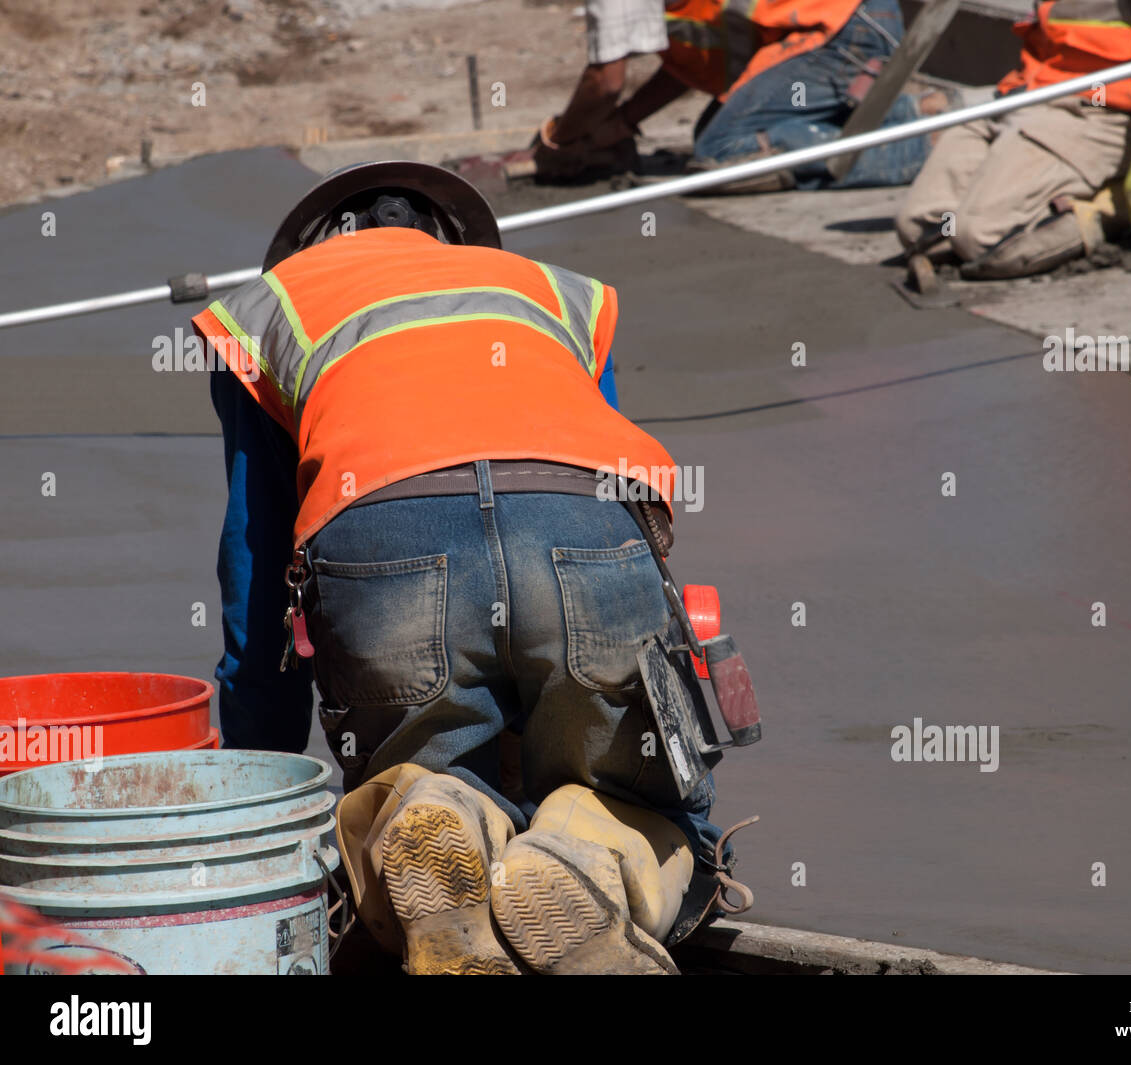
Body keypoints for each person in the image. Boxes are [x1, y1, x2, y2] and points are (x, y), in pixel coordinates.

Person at [194, 161, 746, 974]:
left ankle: (437, 803)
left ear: (311, 247)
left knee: (411, 800)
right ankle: (586, 859)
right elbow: (613, 487)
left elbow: (258, 569)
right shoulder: (550, 291)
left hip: (387, 554)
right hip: (585, 536)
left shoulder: (268, 311)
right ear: (450, 238)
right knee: (650, 808)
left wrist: (258, 784)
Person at [896, 0, 1131, 280]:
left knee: (984, 240)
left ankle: (1125, 204)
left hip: (1101, 109)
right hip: (1028, 95)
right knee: (924, 229)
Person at [535, 0, 950, 191]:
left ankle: (918, 145)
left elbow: (604, 81)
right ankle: (911, 112)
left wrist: (561, 139)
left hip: (837, 32)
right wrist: (624, 122)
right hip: (850, 20)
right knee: (712, 130)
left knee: (719, 152)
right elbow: (687, 66)